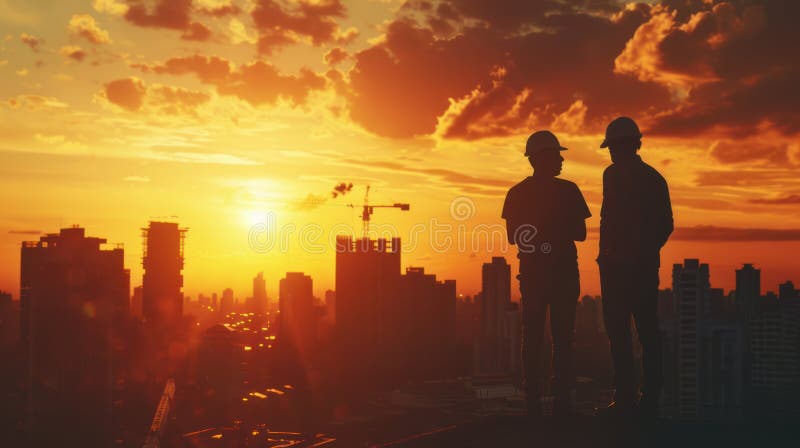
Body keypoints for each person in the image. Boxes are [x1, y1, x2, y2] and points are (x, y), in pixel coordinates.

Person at [502, 130, 591, 418]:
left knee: (534, 337)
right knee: (563, 338)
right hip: (562, 274)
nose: (562, 160)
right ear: (542, 158)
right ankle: (562, 401)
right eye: (557, 155)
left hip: (534, 275)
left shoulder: (516, 194)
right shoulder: (568, 191)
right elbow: (580, 233)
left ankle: (533, 402)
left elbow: (514, 237)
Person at [596, 117, 673, 418]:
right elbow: (609, 221)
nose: (613, 153)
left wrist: (637, 253)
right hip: (621, 267)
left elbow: (663, 225)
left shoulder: (641, 178)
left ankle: (643, 400)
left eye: (615, 146)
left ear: (631, 145)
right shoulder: (625, 176)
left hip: (630, 269)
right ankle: (634, 399)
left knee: (640, 333)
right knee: (628, 333)